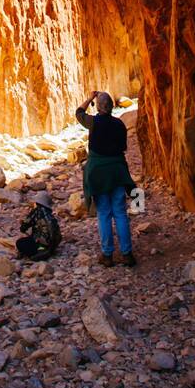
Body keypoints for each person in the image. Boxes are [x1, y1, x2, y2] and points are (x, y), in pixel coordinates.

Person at [76, 90, 136, 267]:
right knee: (120, 213)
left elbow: (79, 113)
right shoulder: (119, 124)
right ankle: (127, 254)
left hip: (99, 175)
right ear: (111, 107)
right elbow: (123, 148)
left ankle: (107, 255)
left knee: (103, 213)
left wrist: (89, 98)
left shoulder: (93, 122)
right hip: (117, 172)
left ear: (99, 107)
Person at [16, 190, 62, 260]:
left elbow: (25, 226)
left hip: (42, 242)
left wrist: (23, 226)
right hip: (53, 244)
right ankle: (48, 250)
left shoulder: (37, 211)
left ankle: (40, 251)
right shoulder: (49, 214)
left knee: (20, 242)